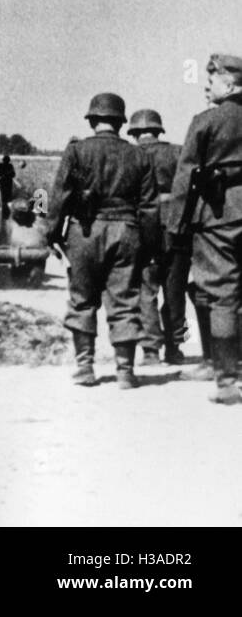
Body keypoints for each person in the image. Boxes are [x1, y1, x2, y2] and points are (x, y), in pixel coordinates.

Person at [48, 93, 157, 388]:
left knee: (82, 299)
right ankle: (125, 371)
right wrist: (148, 245)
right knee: (124, 301)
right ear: (121, 123)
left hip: (85, 232)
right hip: (127, 231)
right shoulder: (140, 155)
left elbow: (59, 197)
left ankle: (85, 366)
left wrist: (53, 234)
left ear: (93, 120)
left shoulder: (76, 151)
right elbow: (149, 207)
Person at [167, 53, 242, 404]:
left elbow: (185, 178)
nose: (206, 87)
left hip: (218, 214)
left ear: (229, 85)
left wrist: (175, 225)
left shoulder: (206, 121)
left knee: (223, 294)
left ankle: (227, 381)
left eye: (211, 81)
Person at [127, 109, 190, 366]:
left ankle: (151, 350)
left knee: (146, 290)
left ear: (133, 132)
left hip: (144, 228)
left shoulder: (131, 155)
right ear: (158, 129)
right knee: (175, 291)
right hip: (178, 228)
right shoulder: (179, 152)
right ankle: (175, 349)